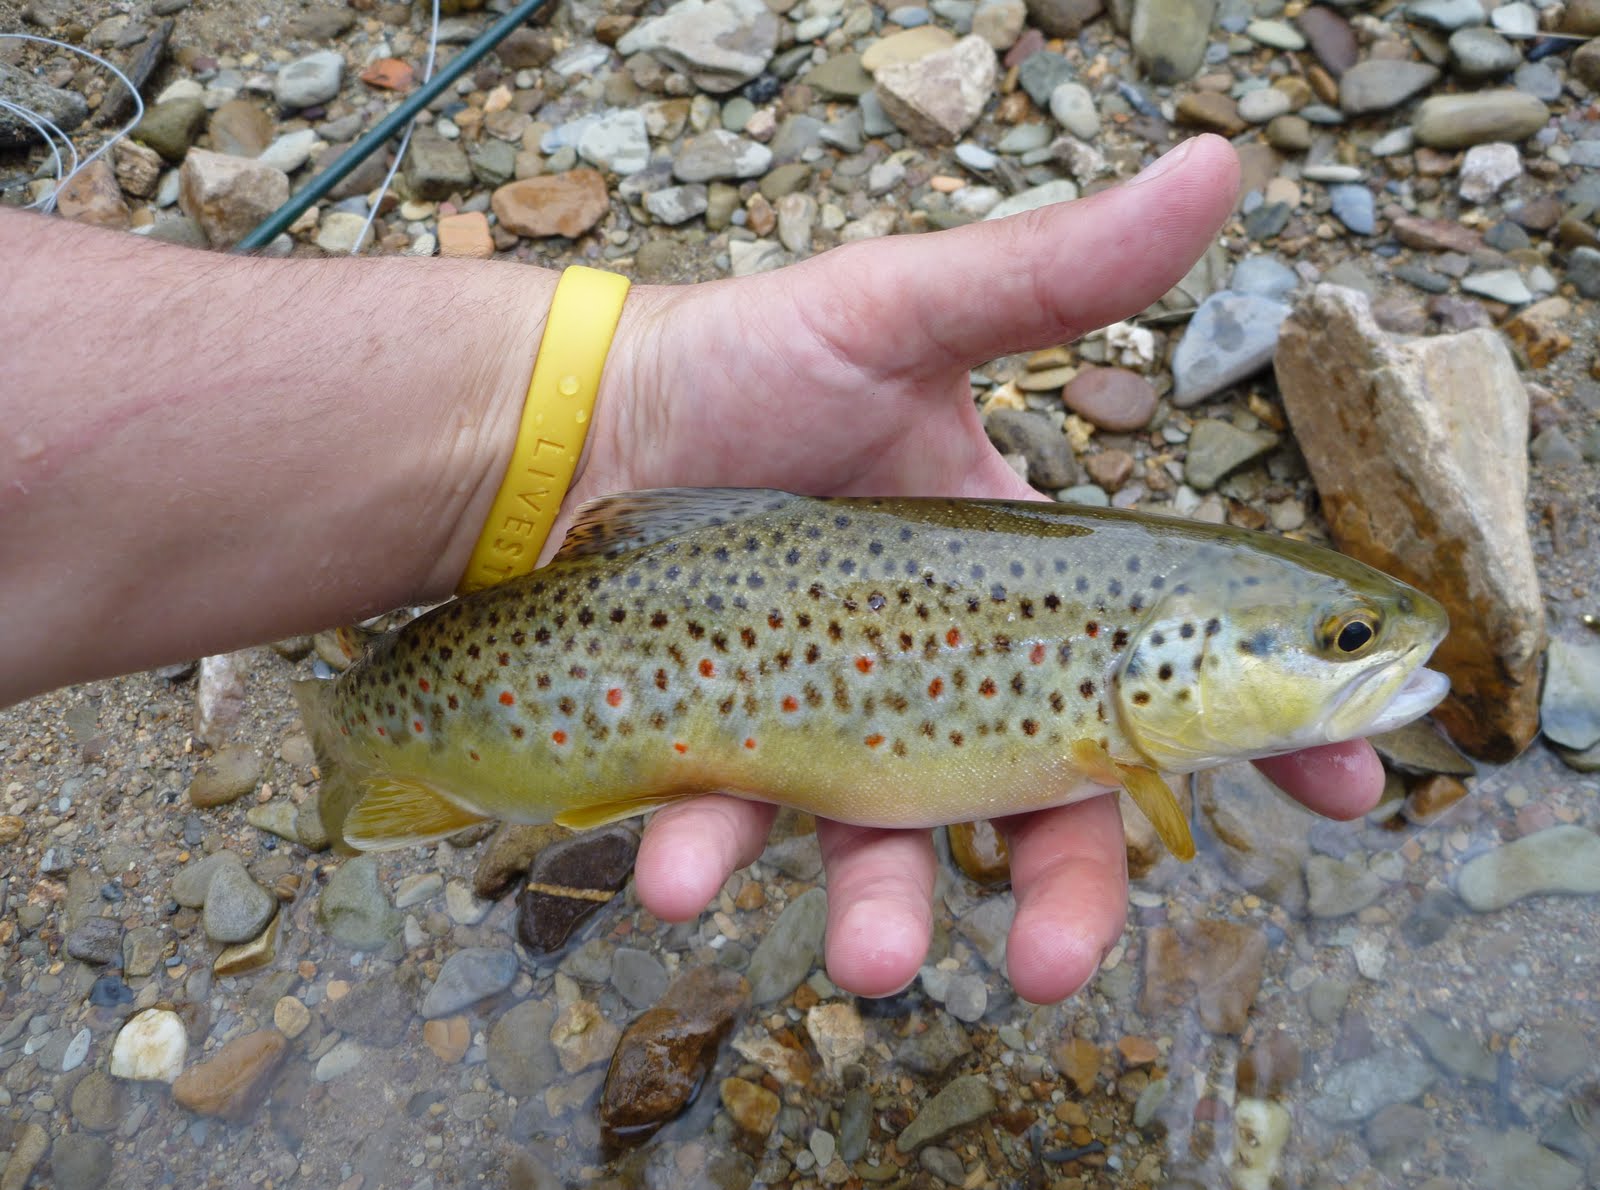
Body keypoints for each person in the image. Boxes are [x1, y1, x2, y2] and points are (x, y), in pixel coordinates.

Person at [0, 133, 1383, 1005]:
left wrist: (587, 401)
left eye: (1341, 639)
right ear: (1169, 658)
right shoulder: (1123, 720)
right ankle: (361, 733)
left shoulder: (1131, 710)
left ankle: (372, 737)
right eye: (1340, 641)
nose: (1373, 663)